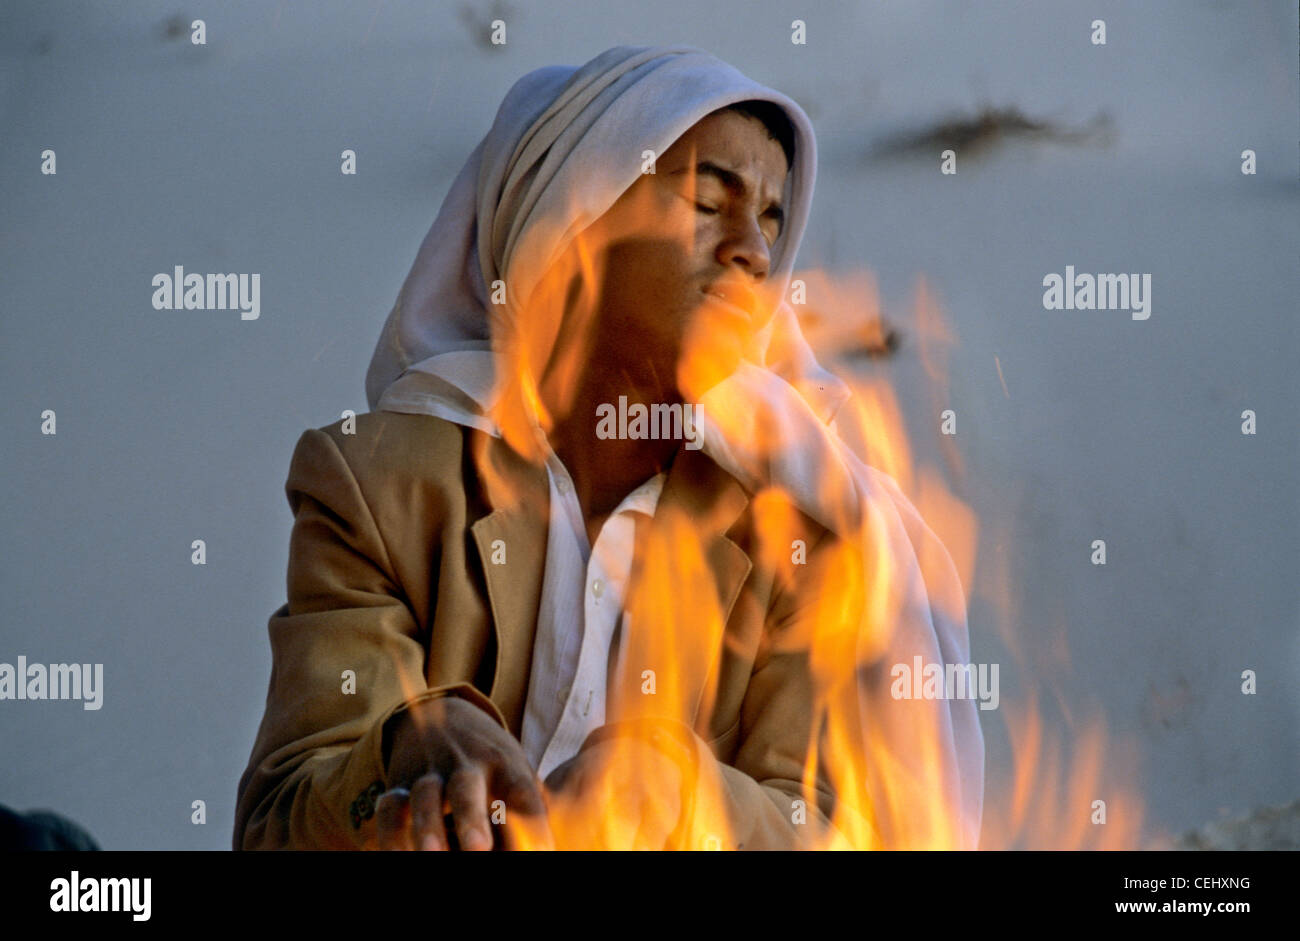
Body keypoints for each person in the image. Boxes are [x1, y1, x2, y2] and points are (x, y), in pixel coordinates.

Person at [233, 44, 983, 851]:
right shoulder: (379, 487)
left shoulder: (791, 532)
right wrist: (406, 745)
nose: (755, 254)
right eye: (707, 198)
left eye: (770, 216)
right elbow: (280, 822)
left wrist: (675, 792)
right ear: (574, 226)